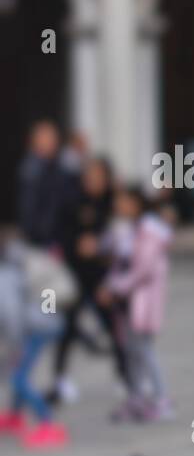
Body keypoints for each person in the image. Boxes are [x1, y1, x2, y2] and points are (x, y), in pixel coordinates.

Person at [48, 156, 130, 404]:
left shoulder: (111, 202)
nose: (93, 181)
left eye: (99, 177)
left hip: (101, 277)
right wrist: (76, 245)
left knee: (114, 326)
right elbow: (59, 234)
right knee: (67, 328)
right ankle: (60, 380)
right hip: (75, 277)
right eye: (90, 176)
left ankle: (125, 377)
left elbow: (123, 232)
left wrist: (101, 249)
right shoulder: (72, 200)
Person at [101, 187, 174, 423]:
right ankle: (137, 398)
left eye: (123, 200)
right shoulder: (128, 228)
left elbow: (143, 269)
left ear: (135, 203)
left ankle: (161, 399)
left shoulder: (149, 230)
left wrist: (115, 287)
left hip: (141, 300)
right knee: (131, 350)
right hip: (127, 301)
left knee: (144, 350)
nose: (118, 205)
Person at [0, 225, 74, 448]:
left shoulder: (6, 273)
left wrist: (15, 344)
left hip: (37, 327)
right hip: (46, 320)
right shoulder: (24, 256)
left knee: (17, 377)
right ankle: (14, 416)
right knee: (17, 373)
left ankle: (48, 424)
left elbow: (11, 314)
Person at [15, 120, 73, 249]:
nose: (53, 142)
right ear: (35, 141)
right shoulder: (32, 170)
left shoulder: (59, 167)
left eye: (54, 138)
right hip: (40, 241)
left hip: (55, 239)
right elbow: (30, 211)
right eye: (48, 138)